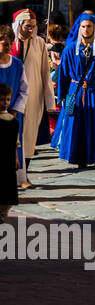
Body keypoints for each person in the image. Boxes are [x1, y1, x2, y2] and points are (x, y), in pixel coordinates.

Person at [54, 12, 95, 168]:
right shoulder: (70, 49)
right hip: (76, 90)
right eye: (83, 26)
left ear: (94, 28)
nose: (86, 30)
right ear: (79, 28)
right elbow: (64, 74)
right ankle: (79, 157)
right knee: (77, 124)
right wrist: (63, 95)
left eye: (89, 26)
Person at [11, 9, 56, 186]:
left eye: (33, 27)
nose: (31, 30)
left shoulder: (39, 44)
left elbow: (46, 73)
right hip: (10, 95)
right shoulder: (8, 43)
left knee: (28, 136)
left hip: (33, 95)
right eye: (27, 27)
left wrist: (49, 101)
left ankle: (24, 176)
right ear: (19, 26)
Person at [0, 32, 27, 188]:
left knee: (13, 146)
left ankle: (14, 179)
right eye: (5, 43)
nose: (9, 46)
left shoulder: (17, 64)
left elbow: (24, 89)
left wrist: (15, 111)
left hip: (12, 114)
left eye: (11, 43)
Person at [0, 83, 17, 221]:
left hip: (8, 159)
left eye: (7, 99)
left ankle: (3, 213)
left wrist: (16, 158)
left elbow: (15, 142)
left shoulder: (13, 121)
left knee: (7, 189)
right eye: (1, 100)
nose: (4, 103)